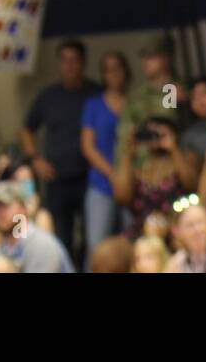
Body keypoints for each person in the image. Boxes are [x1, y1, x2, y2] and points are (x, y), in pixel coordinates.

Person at [21, 39, 101, 265]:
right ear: (59, 64)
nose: (69, 66)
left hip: (90, 176)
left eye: (74, 60)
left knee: (91, 237)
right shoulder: (48, 96)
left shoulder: (95, 93)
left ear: (83, 63)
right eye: (64, 60)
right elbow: (26, 129)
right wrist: (35, 159)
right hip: (56, 177)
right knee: (60, 236)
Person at [81, 50, 130, 265]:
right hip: (102, 183)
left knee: (131, 244)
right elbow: (87, 146)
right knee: (96, 244)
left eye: (117, 69)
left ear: (126, 72)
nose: (113, 75)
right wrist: (113, 174)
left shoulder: (136, 103)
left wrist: (173, 95)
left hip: (131, 185)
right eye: (107, 70)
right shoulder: (93, 105)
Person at [113, 117, 196, 238]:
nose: (155, 137)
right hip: (141, 230)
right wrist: (128, 154)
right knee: (107, 252)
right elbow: (122, 197)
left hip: (176, 229)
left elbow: (191, 185)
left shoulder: (184, 157)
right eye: (150, 133)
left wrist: (173, 149)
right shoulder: (140, 166)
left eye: (161, 134)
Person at [117, 36, 186, 171]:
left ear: (166, 58)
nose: (145, 61)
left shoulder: (173, 89)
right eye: (144, 56)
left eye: (152, 56)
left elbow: (166, 122)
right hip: (141, 169)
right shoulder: (137, 96)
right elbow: (125, 137)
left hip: (172, 168)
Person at [0, 180, 74, 273]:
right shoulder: (0, 250)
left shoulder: (42, 245)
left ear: (23, 209)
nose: (0, 213)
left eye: (5, 206)